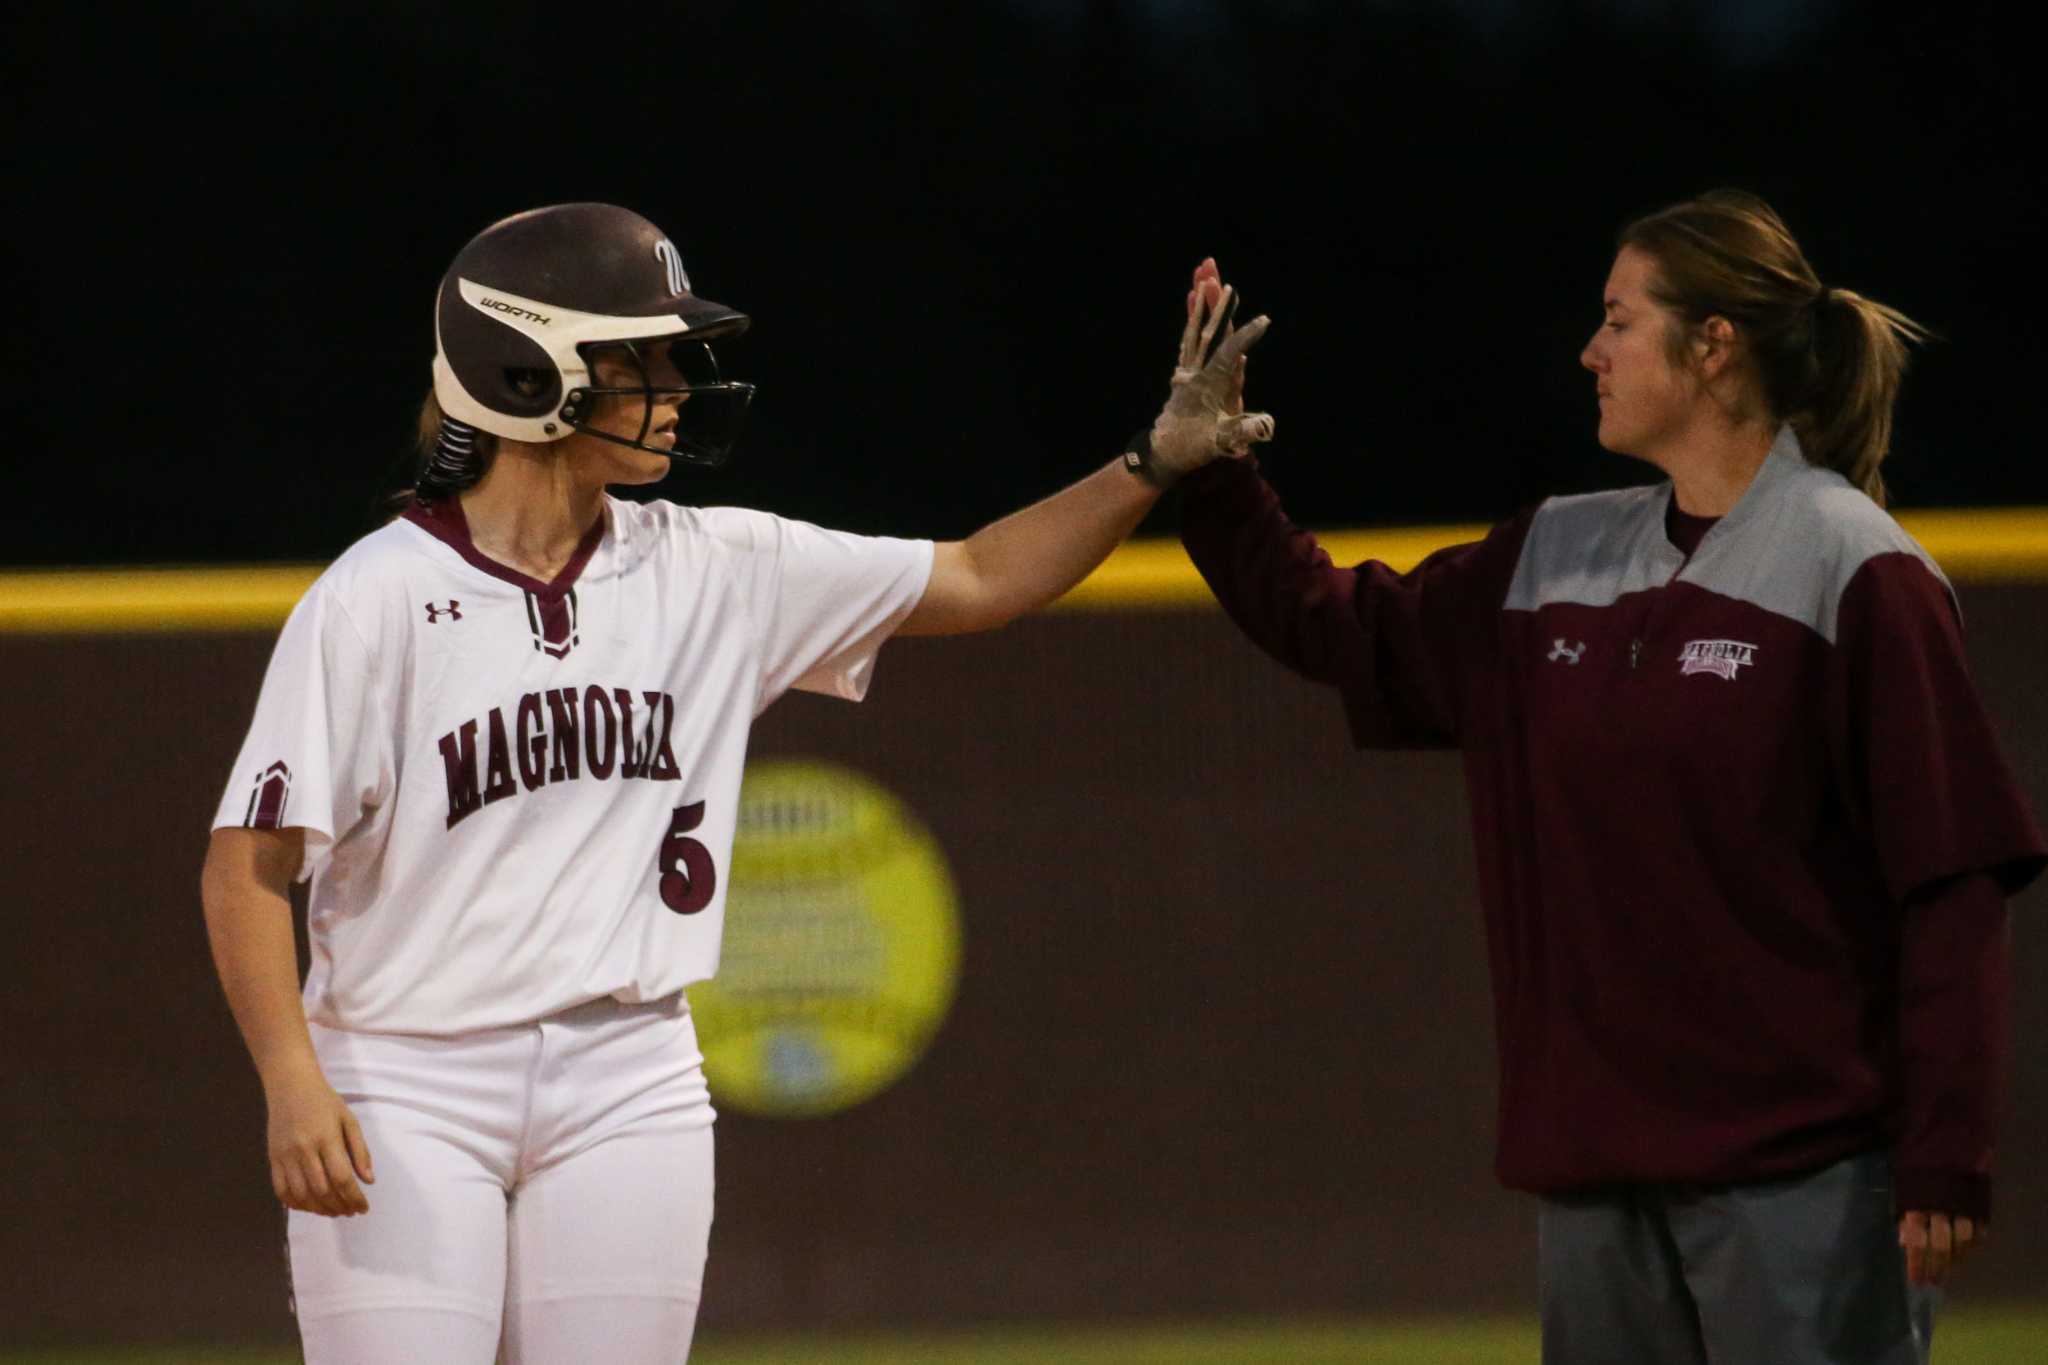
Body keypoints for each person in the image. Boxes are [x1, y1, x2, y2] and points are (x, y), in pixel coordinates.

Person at [198, 201, 1271, 1364]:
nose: (674, 387)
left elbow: (979, 577)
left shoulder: (712, 567)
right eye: (638, 359)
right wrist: (291, 1080)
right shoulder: (377, 600)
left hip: (628, 1075)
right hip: (405, 1077)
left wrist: (1149, 462)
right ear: (527, 371)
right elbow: (246, 866)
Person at [1176, 190, 2044, 1364]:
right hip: (1595, 1188)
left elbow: (1952, 884)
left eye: (1619, 320)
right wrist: (1213, 469)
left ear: (1712, 345)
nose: (1591, 350)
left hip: (1806, 1186)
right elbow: (1332, 626)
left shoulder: (1855, 567)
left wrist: (1944, 1154)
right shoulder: (1554, 552)